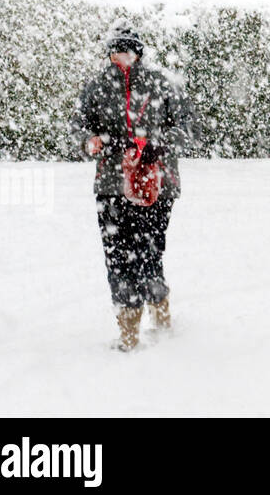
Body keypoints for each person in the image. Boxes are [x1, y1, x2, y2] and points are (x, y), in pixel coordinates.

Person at [70, 26, 194, 351]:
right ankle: (128, 332)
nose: (122, 58)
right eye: (116, 52)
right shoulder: (96, 87)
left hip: (158, 186)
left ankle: (160, 310)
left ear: (139, 53)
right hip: (111, 186)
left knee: (148, 254)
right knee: (117, 258)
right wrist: (89, 141)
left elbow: (186, 126)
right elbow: (77, 126)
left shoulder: (160, 84)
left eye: (128, 52)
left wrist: (159, 144)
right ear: (109, 54)